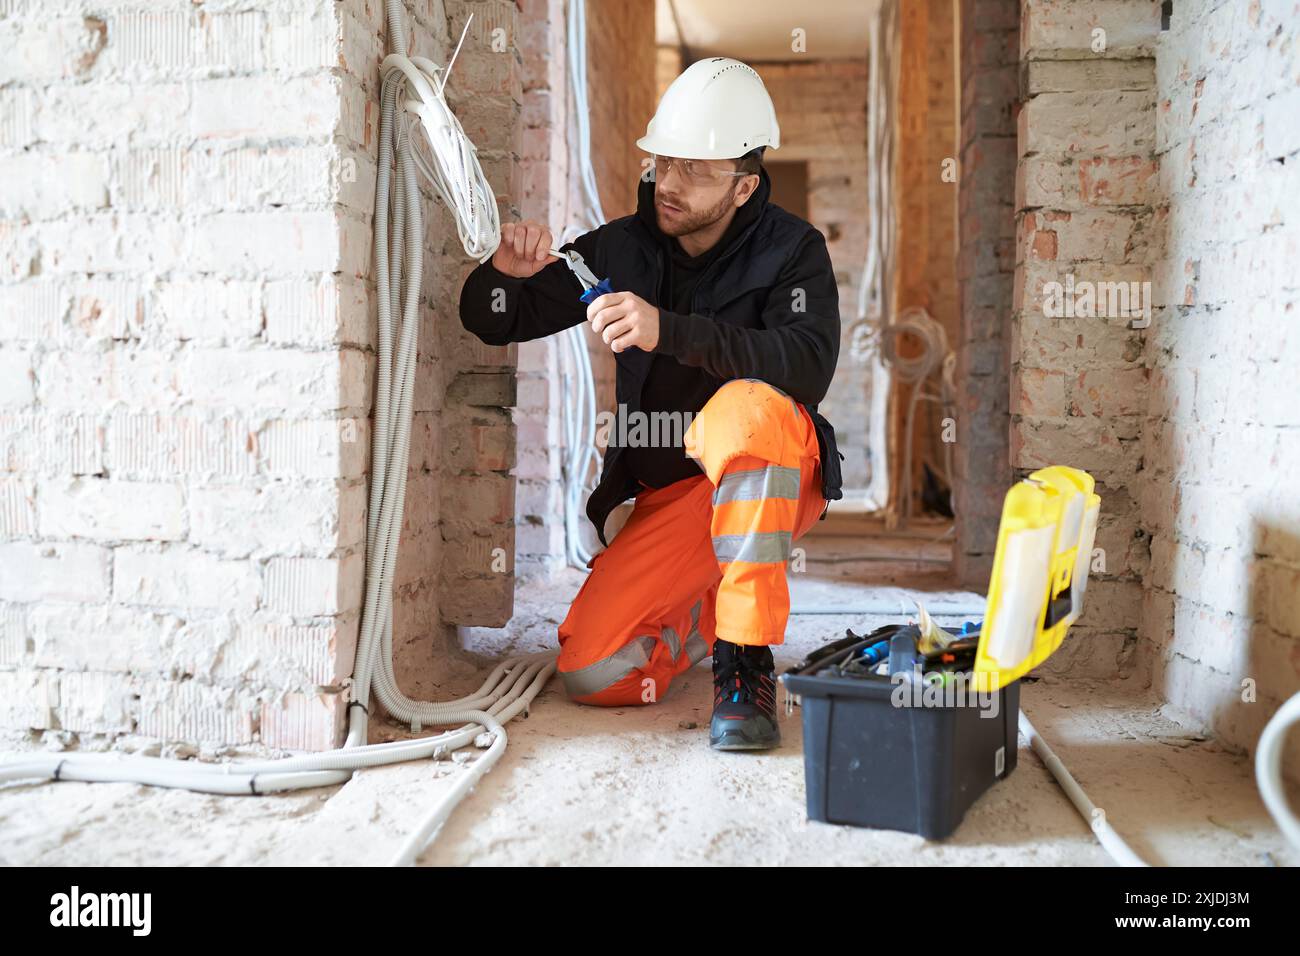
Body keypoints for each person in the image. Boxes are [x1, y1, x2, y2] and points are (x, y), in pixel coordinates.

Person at [458, 57, 843, 750]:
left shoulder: (793, 251)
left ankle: (744, 660)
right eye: (663, 162)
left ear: (744, 184)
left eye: (695, 169)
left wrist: (671, 331)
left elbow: (808, 364)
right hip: (671, 496)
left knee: (748, 409)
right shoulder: (619, 249)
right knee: (595, 671)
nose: (668, 183)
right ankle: (706, 617)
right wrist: (501, 275)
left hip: (770, 469)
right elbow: (495, 318)